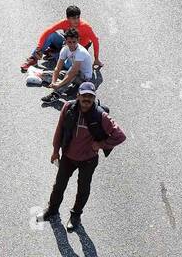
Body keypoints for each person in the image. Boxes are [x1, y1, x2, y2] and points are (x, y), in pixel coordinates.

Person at [44, 83, 126, 229]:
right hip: (68, 156)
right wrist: (55, 151)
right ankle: (52, 210)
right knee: (59, 186)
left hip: (88, 160)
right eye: (84, 95)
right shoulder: (68, 108)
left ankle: (75, 216)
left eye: (90, 96)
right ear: (78, 96)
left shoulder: (101, 116)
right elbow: (59, 130)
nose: (86, 99)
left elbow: (120, 136)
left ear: (94, 98)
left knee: (83, 189)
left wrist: (101, 144)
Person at [22, 5, 101, 71]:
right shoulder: (64, 22)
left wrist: (96, 58)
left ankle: (55, 53)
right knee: (52, 35)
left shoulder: (85, 26)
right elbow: (48, 31)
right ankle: (34, 58)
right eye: (73, 18)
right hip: (66, 43)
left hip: (77, 49)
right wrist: (39, 47)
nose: (76, 20)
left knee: (67, 66)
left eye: (78, 17)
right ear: (68, 18)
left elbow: (95, 41)